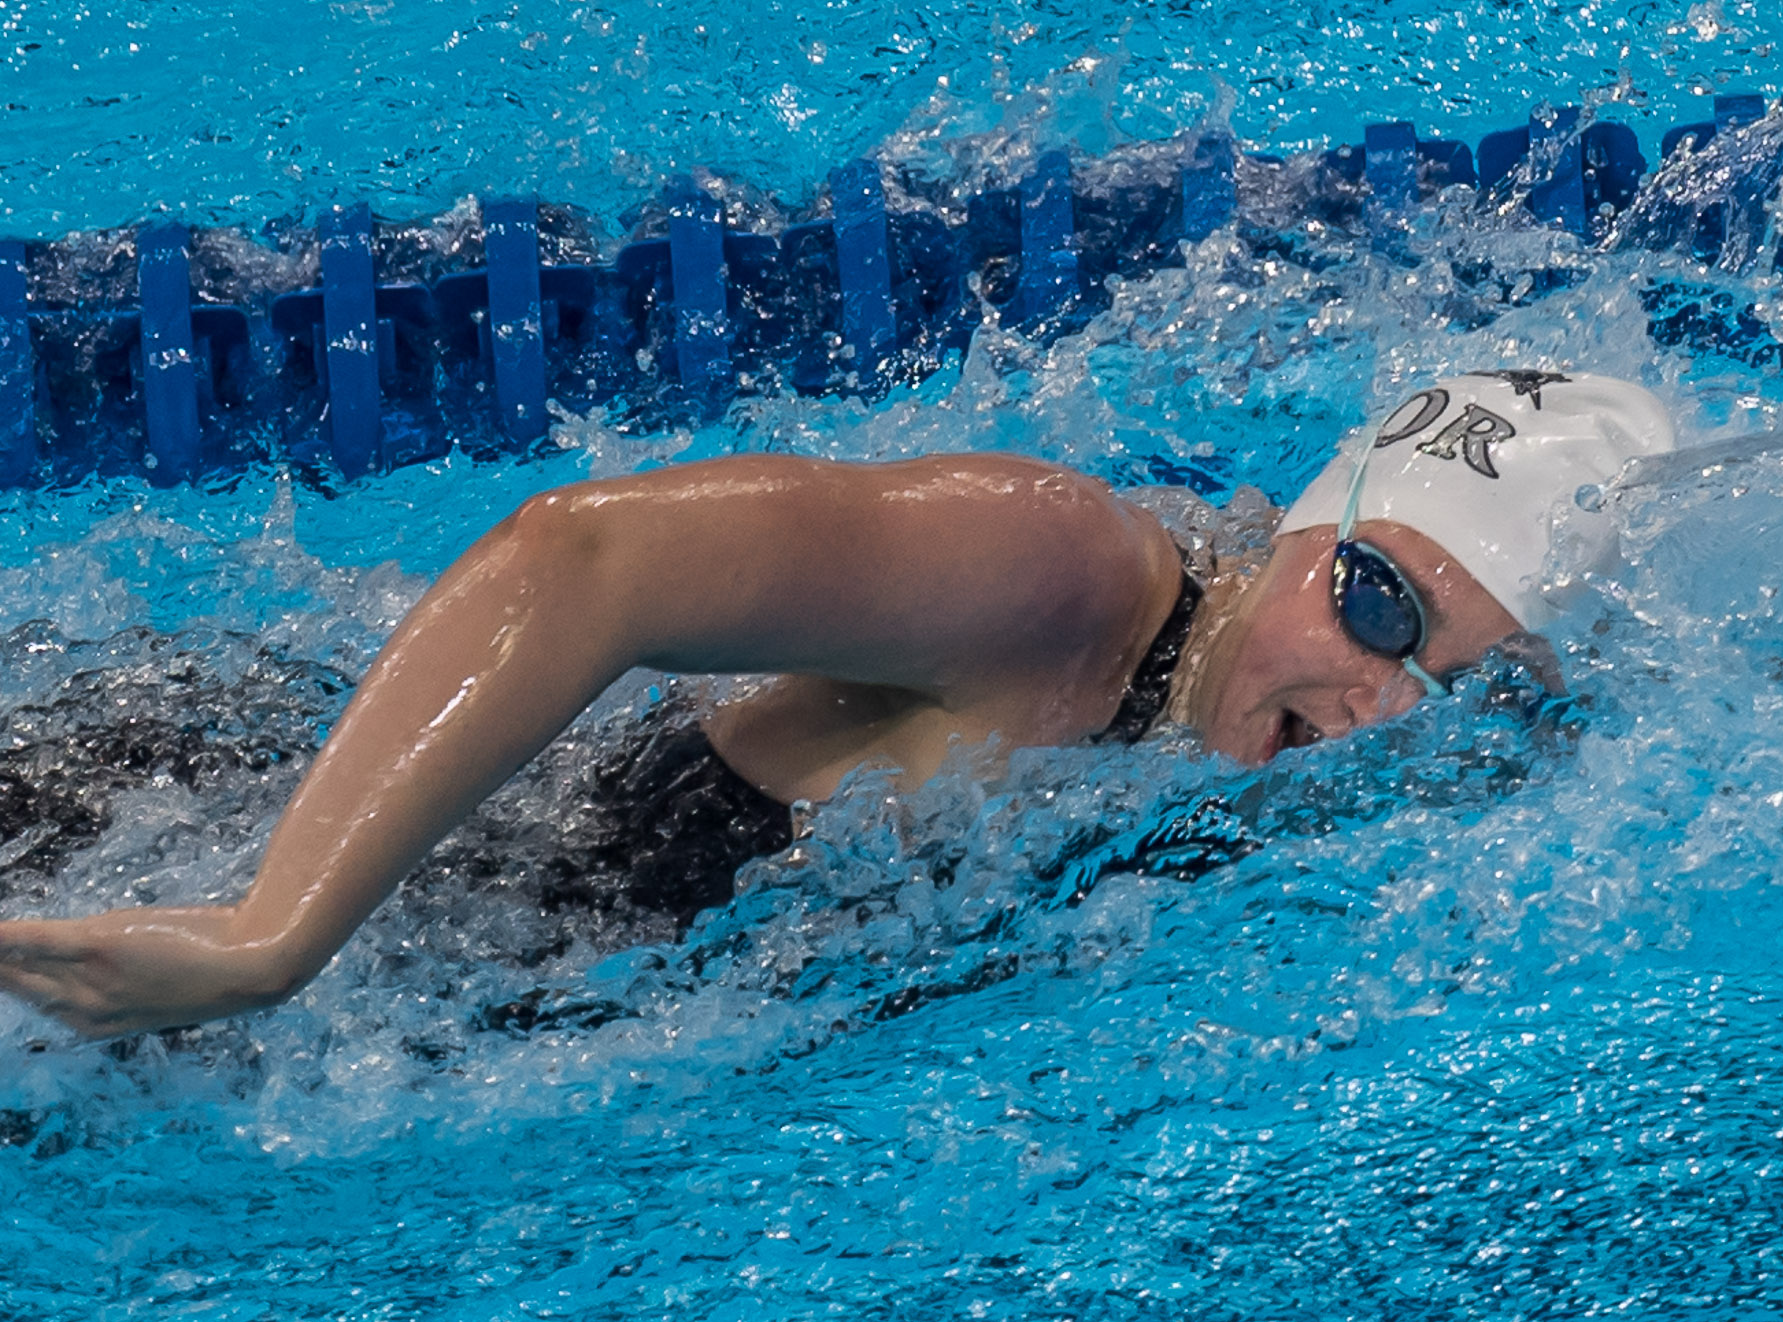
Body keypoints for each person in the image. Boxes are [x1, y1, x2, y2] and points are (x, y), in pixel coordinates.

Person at [0, 371, 1677, 1038]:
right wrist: (273, 933)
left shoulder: (1269, 754)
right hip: (221, 859)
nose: (1376, 700)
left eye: (1446, 685)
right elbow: (582, 559)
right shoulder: (1065, 578)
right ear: (1314, 521)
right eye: (1377, 601)